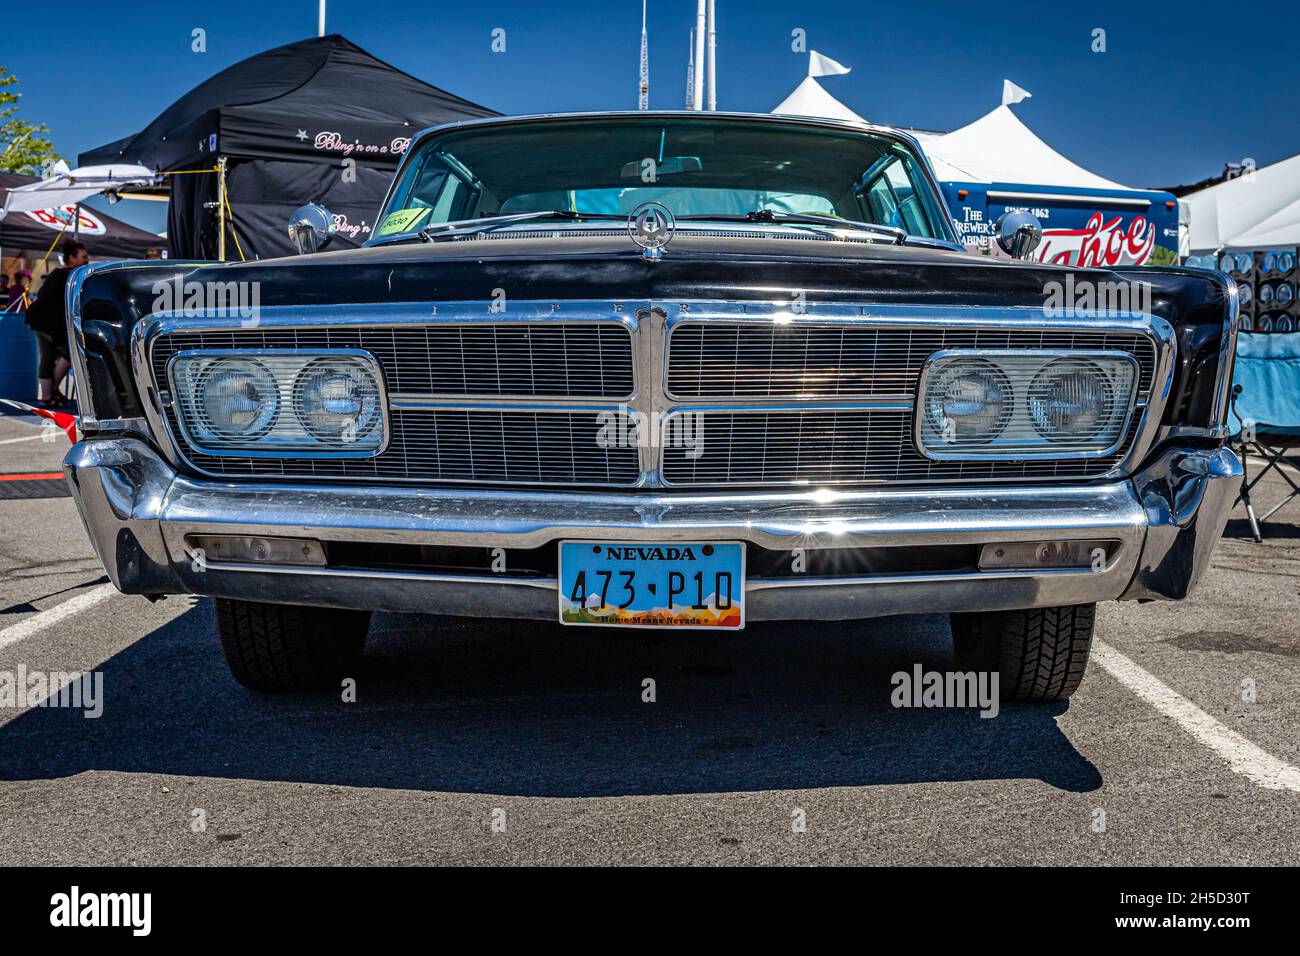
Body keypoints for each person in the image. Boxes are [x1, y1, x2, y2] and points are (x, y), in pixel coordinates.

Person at [25, 241, 88, 408]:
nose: (86, 260)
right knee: (70, 356)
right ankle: (51, 391)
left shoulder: (57, 273)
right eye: (83, 257)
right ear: (72, 258)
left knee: (48, 357)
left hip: (38, 319)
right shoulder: (71, 275)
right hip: (49, 323)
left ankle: (47, 396)